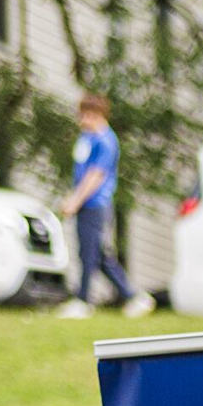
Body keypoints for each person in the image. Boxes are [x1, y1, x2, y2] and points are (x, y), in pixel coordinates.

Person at [59, 94, 129, 316]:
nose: (83, 120)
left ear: (100, 115)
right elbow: (80, 173)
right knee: (97, 254)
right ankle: (131, 295)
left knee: (89, 253)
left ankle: (83, 300)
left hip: (95, 203)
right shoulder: (87, 138)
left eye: (88, 115)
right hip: (84, 202)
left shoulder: (106, 141)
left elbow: (95, 176)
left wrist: (75, 200)